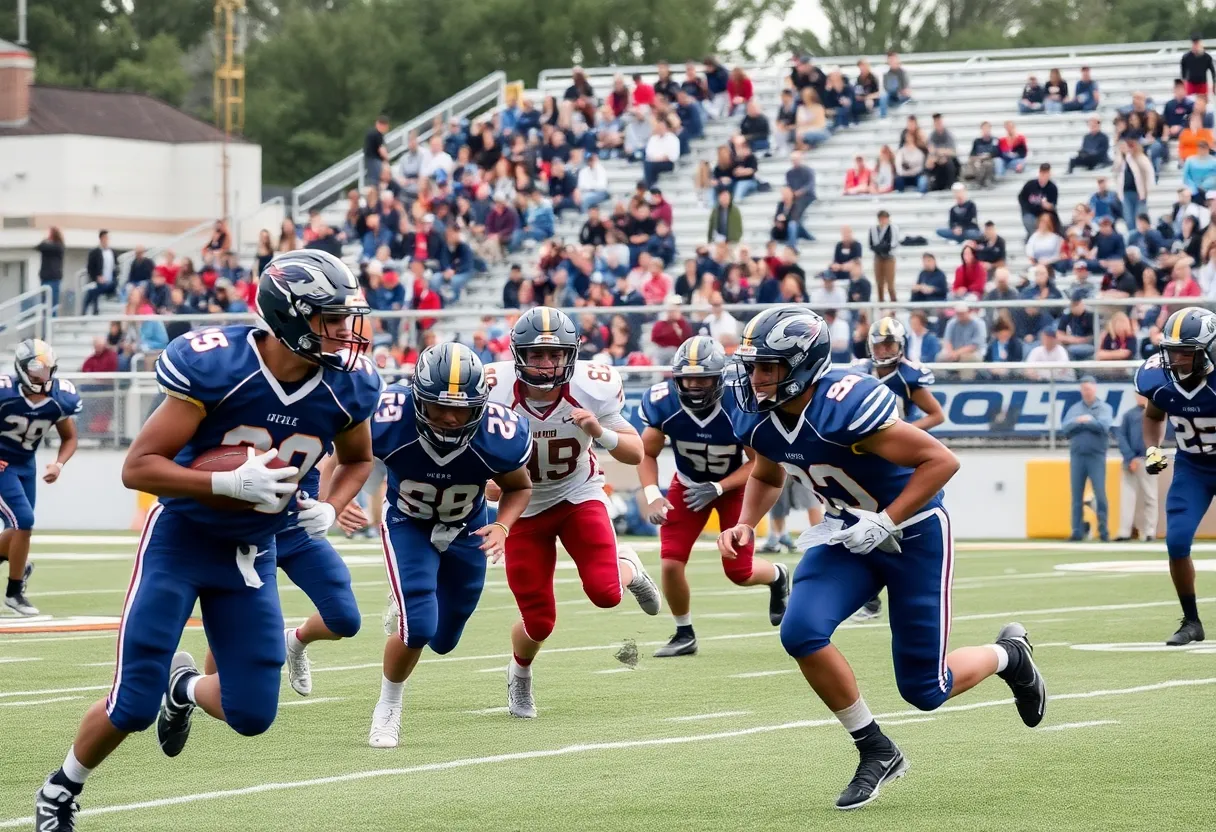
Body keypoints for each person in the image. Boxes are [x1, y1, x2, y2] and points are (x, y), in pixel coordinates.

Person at [34, 250, 383, 830]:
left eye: (347, 318)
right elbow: (139, 468)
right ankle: (61, 789)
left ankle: (186, 687)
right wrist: (224, 479)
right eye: (330, 318)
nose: (346, 332)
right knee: (132, 704)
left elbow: (359, 458)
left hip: (252, 553)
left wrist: (330, 504)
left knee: (251, 713)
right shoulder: (219, 364)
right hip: (183, 541)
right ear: (290, 317)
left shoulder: (348, 387)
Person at [722, 306, 1046, 810]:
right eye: (754, 366)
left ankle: (1010, 656)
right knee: (800, 631)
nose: (756, 378)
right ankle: (875, 748)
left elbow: (941, 460)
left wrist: (886, 519)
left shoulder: (844, 405)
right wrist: (745, 522)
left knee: (925, 689)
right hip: (845, 536)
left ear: (804, 366)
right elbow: (767, 473)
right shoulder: (758, 416)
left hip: (913, 535)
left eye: (769, 367)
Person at [486, 308, 660, 718]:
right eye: (537, 355)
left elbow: (637, 451)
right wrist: (486, 483)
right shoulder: (495, 390)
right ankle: (520, 676)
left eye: (555, 355)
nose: (546, 365)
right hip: (523, 506)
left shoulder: (592, 388)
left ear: (571, 355)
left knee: (605, 594)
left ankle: (629, 567)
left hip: (578, 493)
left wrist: (599, 432)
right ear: (517, 355)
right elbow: (470, 454)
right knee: (539, 620)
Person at [365, 344, 533, 747]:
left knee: (443, 639)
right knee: (419, 625)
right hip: (409, 523)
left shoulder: (500, 434)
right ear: (417, 397)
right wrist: (336, 500)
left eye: (462, 409)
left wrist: (504, 527)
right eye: (439, 407)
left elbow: (519, 486)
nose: (451, 418)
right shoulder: (388, 417)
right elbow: (349, 455)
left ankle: (407, 604)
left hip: (467, 527)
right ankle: (387, 708)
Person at [637, 337, 790, 657]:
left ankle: (777, 576)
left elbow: (757, 465)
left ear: (719, 379)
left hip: (734, 490)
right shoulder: (663, 402)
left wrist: (719, 487)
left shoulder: (739, 405)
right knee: (670, 562)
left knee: (739, 572)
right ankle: (684, 632)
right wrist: (652, 494)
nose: (693, 386)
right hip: (689, 485)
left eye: (702, 378)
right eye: (688, 378)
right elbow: (645, 453)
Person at [1137, 306, 1216, 646]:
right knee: (1177, 541)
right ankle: (1192, 621)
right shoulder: (1160, 381)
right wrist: (1153, 449)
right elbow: (1153, 415)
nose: (1178, 360)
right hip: (1192, 467)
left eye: (1187, 352)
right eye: (1172, 352)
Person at [0, 340, 79, 616]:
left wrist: (58, 464)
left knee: (19, 529)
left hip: (26, 465)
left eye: (47, 369)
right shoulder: (5, 392)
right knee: (24, 521)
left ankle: (15, 562)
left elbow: (70, 437)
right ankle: (14, 592)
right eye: (36, 369)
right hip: (1, 464)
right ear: (21, 369)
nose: (42, 376)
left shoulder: (59, 398)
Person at [1061, 375, 1113, 542]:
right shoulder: (1075, 408)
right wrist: (1082, 421)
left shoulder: (1104, 408)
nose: (1086, 392)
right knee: (1076, 496)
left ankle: (1104, 531)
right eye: (1084, 389)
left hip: (1096, 456)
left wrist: (1086, 421)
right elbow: (1065, 427)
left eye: (1089, 389)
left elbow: (1103, 426)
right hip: (1077, 456)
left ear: (1095, 388)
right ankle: (1076, 531)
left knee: (1100, 494)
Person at [1115, 394, 1158, 543]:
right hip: (1131, 461)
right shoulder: (1129, 415)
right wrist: (1130, 457)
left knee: (1150, 497)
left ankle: (1149, 532)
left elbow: (1159, 436)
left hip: (1148, 459)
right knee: (1127, 498)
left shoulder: (1156, 413)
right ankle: (1124, 531)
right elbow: (1121, 436)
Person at [35, 227, 65, 315]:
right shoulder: (47, 247)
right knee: (45, 305)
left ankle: (51, 325)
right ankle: (46, 326)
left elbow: (43, 246)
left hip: (54, 279)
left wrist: (45, 240)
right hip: (45, 278)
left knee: (52, 305)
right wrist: (45, 240)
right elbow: (38, 247)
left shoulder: (58, 246)